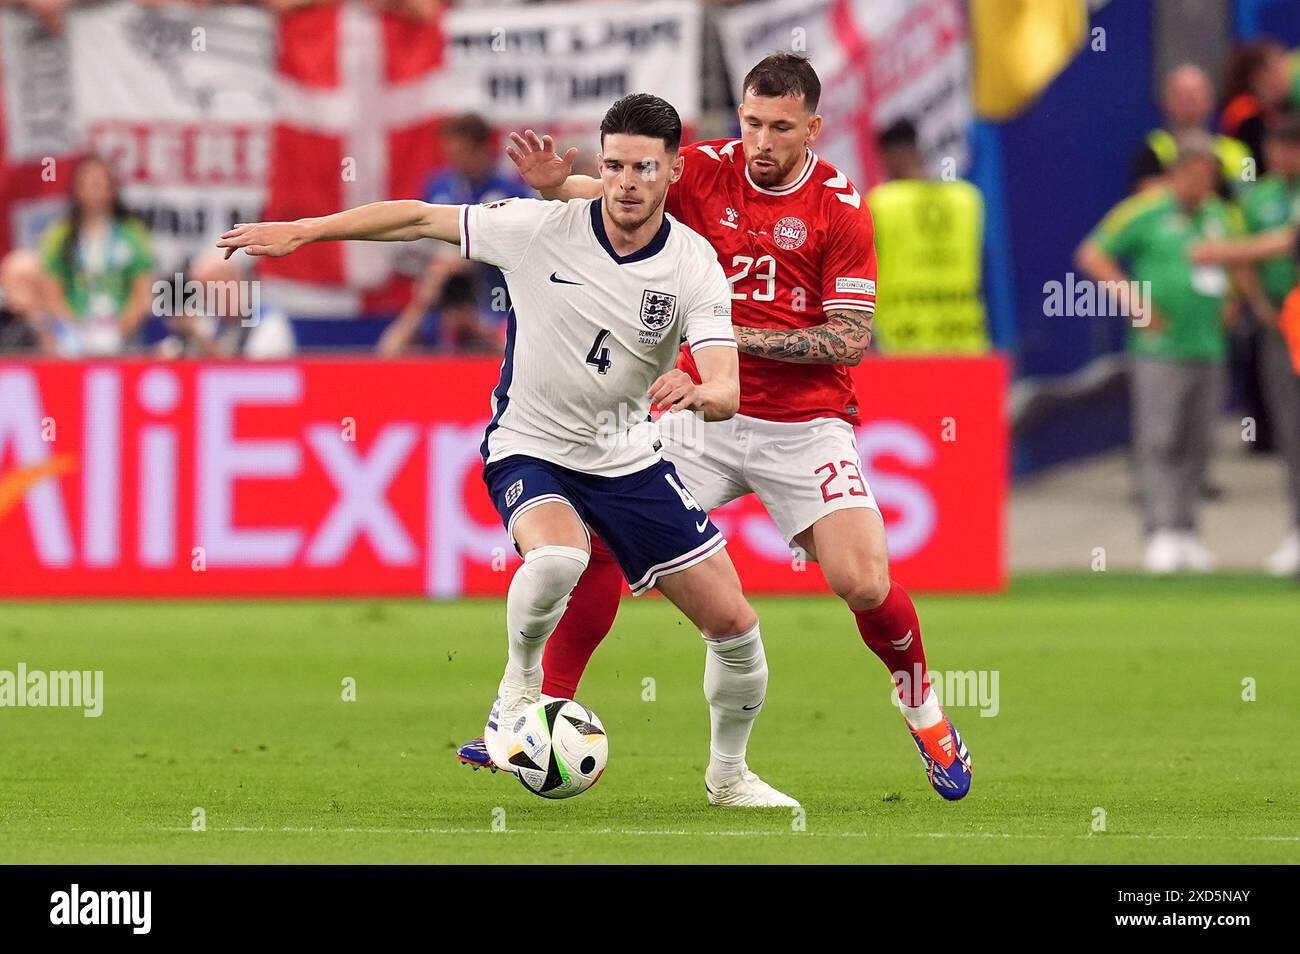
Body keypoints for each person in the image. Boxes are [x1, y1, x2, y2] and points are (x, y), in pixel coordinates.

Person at [219, 92, 800, 808]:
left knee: (737, 629)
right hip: (531, 445)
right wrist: (307, 231)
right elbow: (415, 218)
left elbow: (728, 388)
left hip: (626, 458)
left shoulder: (693, 265)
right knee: (559, 556)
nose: (625, 182)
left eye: (643, 168)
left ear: (673, 171)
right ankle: (515, 695)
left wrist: (698, 389)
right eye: (613, 164)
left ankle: (728, 777)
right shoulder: (537, 227)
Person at [458, 53, 974, 801]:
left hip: (805, 422)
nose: (760, 141)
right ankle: (530, 719)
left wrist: (729, 338)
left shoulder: (840, 208)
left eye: (780, 127)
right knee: (595, 540)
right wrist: (551, 187)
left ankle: (923, 708)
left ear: (814, 128)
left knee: (862, 582)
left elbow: (850, 338)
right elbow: (615, 193)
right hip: (701, 414)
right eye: (751, 122)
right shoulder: (702, 170)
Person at [1076, 135, 1236, 574]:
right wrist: (1134, 302)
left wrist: (1234, 302)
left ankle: (1187, 530)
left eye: (1211, 177)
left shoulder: (1220, 216)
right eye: (1199, 175)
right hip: (1158, 348)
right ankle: (1160, 531)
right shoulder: (1144, 210)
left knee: (1199, 442)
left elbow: (1235, 265)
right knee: (1160, 438)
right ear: (1179, 172)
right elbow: (1093, 254)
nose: (1205, 185)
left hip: (1208, 344)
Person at [1208, 111, 1300, 574]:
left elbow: (1287, 242)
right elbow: (1247, 254)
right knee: (1291, 432)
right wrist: (1259, 302)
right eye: (1275, 149)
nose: (1282, 157)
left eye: (1291, 148)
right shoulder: (1256, 198)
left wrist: (1220, 252)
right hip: (1278, 326)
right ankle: (1297, 533)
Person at [377, 114, 528, 355]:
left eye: (461, 152)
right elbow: (387, 352)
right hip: (441, 291)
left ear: (481, 148)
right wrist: (428, 291)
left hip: (493, 296)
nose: (453, 160)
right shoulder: (438, 185)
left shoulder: (512, 193)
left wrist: (468, 260)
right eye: (448, 152)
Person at [866, 117, 990, 354]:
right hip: (965, 339)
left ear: (887, 157)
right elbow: (981, 268)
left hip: (904, 345)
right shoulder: (967, 199)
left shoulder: (880, 204)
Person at [36, 155, 154, 356]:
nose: (94, 191)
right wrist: (75, 330)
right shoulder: (60, 235)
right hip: (74, 331)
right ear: (76, 189)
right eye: (88, 184)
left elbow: (142, 295)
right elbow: (52, 294)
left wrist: (119, 329)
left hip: (121, 332)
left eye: (100, 184)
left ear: (112, 189)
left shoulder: (133, 234)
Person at [1130, 64, 1250, 196]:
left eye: (1196, 93)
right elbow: (1145, 194)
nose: (1189, 101)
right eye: (1181, 94)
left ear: (1211, 100)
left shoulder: (1240, 152)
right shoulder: (1152, 149)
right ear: (1165, 101)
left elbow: (1250, 196)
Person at [154, 252, 296, 360]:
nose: (204, 298)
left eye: (211, 289)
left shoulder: (269, 323)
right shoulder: (209, 319)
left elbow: (248, 374)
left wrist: (201, 340)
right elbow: (170, 351)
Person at [0, 250, 60, 354]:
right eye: (12, 283)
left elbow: (59, 359)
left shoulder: (57, 318)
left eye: (27, 283)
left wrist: (34, 316)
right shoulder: (4, 317)